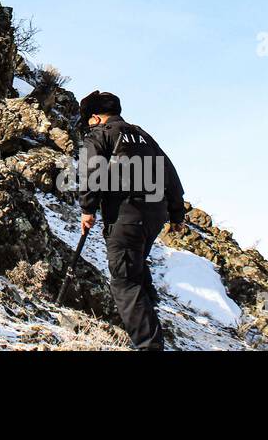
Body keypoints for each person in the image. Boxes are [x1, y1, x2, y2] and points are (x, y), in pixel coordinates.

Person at [77, 89, 186, 351]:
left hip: (126, 212)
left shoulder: (100, 134)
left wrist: (87, 208)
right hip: (154, 215)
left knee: (124, 280)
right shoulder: (144, 136)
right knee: (134, 264)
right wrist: (177, 213)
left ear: (95, 118)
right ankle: (150, 310)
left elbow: (91, 169)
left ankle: (149, 345)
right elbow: (169, 172)